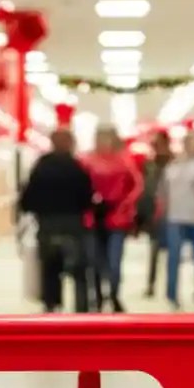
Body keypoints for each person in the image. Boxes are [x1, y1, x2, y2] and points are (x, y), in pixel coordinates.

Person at [19, 129, 95, 313]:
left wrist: (36, 210)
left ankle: (51, 305)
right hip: (73, 225)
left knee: (50, 269)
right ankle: (81, 307)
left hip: (47, 225)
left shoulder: (41, 166)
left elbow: (28, 198)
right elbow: (87, 198)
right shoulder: (77, 167)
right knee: (79, 270)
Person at [82, 125, 143, 313]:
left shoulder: (124, 160)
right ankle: (99, 296)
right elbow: (79, 186)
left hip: (117, 217)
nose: (103, 142)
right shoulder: (86, 160)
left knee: (114, 260)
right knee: (95, 260)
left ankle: (114, 294)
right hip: (93, 217)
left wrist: (125, 204)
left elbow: (137, 186)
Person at [159, 131, 194, 310]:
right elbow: (164, 192)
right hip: (174, 218)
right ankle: (172, 294)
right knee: (173, 257)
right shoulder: (172, 166)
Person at [137, 130, 174, 298]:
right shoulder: (149, 165)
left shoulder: (175, 163)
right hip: (154, 213)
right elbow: (146, 189)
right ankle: (151, 284)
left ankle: (172, 288)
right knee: (154, 250)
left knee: (174, 252)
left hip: (174, 212)